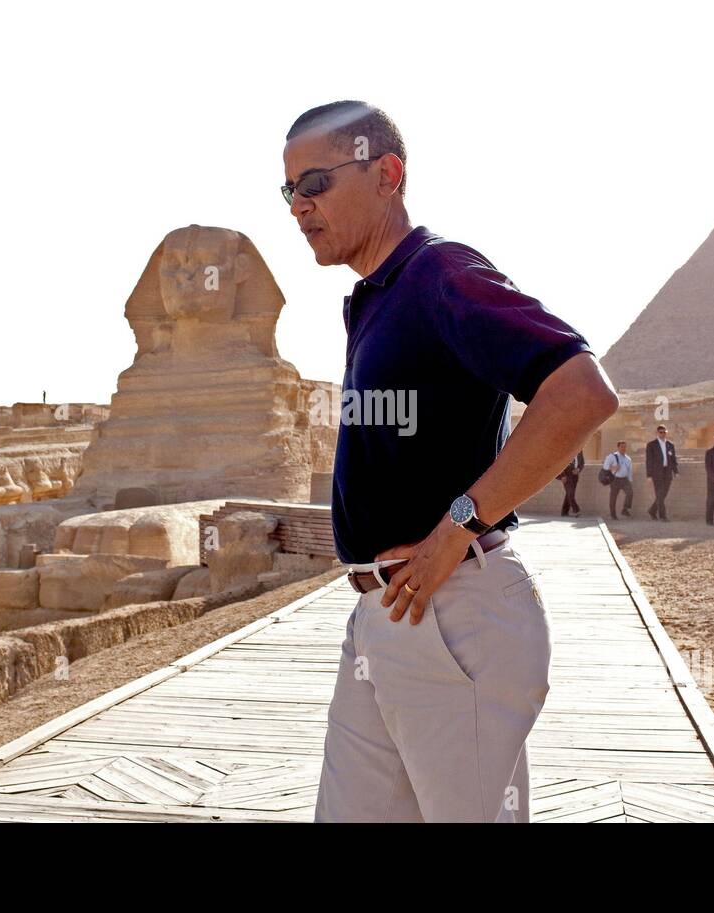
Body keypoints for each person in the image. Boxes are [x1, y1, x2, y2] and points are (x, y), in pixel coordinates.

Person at [285, 100, 619, 823]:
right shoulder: (376, 298)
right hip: (387, 619)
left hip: (454, 612)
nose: (298, 206)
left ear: (387, 173)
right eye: (289, 192)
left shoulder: (441, 274)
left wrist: (458, 526)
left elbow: (581, 391)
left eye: (314, 183)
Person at [644, 424, 678, 520]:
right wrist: (649, 475)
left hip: (667, 472)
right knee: (659, 494)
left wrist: (676, 471)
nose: (663, 434)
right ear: (657, 433)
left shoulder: (670, 445)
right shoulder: (651, 445)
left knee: (663, 494)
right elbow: (649, 460)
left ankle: (652, 510)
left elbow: (673, 459)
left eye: (664, 432)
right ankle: (663, 516)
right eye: (661, 432)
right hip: (656, 473)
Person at [603, 440, 634, 519]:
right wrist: (613, 467)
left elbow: (630, 470)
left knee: (630, 492)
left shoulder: (628, 458)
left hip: (624, 479)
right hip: (615, 479)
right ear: (618, 447)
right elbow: (605, 466)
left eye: (625, 447)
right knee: (613, 497)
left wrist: (630, 481)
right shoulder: (612, 456)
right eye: (622, 446)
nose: (623, 448)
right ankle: (613, 515)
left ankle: (625, 509)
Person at [556, 452, 583, 516]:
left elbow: (582, 463)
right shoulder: (567, 450)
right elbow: (560, 463)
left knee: (569, 493)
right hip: (566, 476)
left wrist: (578, 469)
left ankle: (564, 512)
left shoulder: (580, 451)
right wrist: (562, 476)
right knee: (570, 494)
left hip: (575, 476)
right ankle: (576, 510)